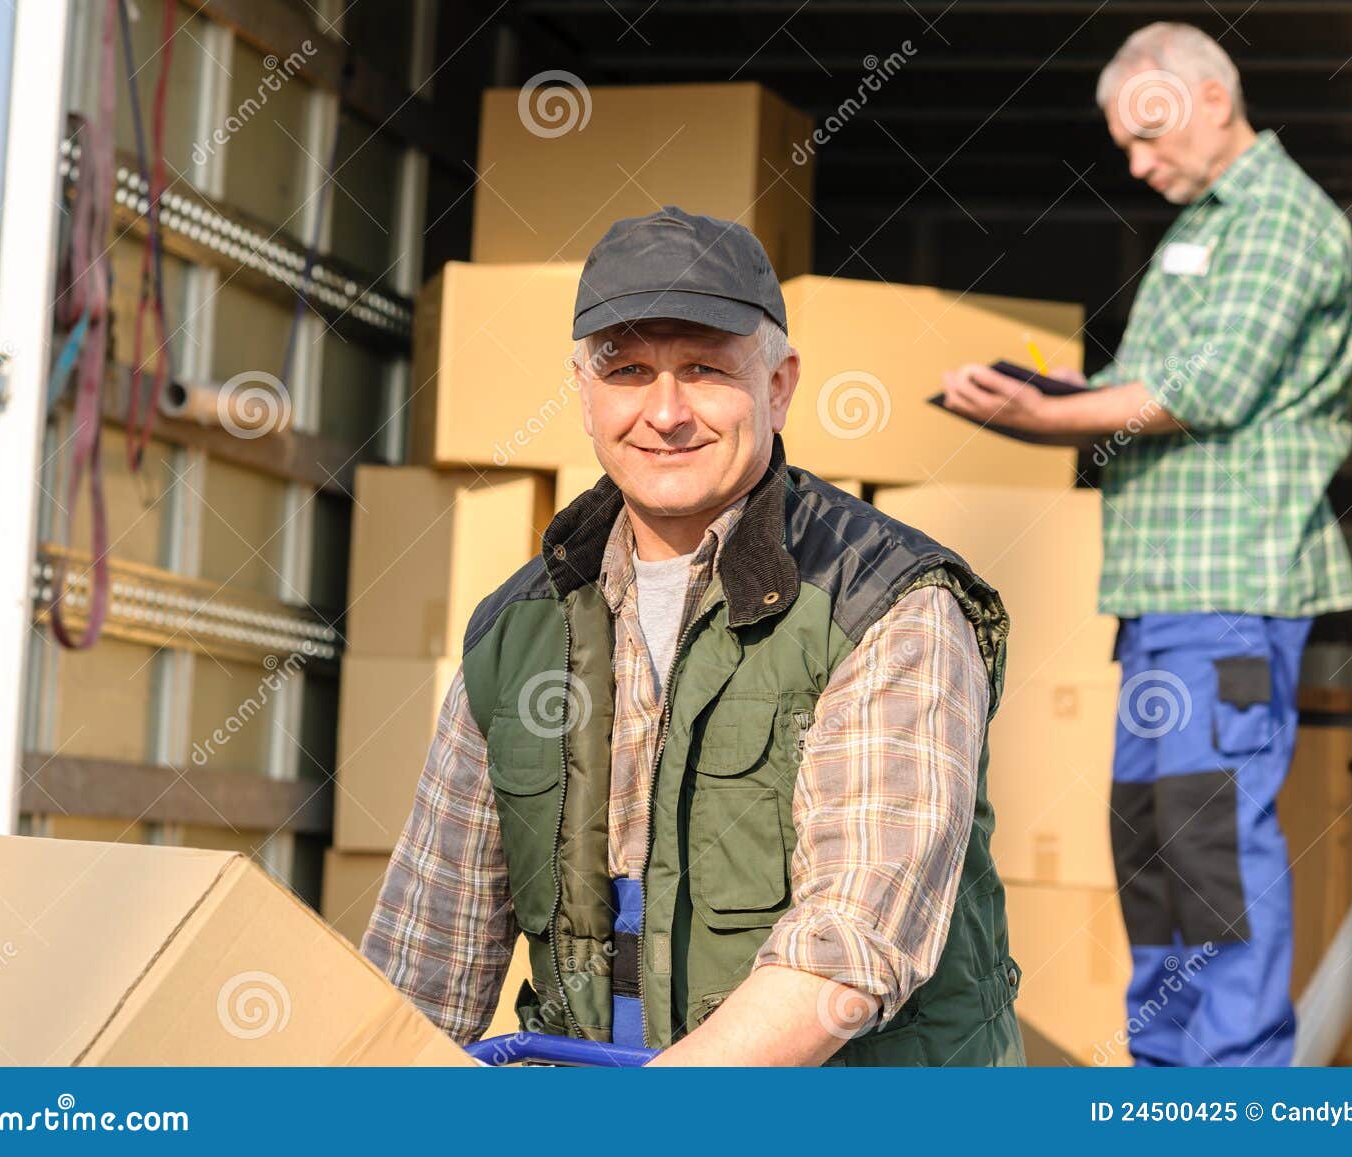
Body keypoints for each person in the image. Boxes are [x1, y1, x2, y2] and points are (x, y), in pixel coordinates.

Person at [364, 206, 1024, 1065]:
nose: (666, 412)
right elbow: (421, 966)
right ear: (583, 392)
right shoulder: (515, 628)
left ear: (778, 383)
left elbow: (849, 950)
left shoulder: (887, 602)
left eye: (706, 369)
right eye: (628, 371)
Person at [940, 22, 1352, 1067]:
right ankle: (1165, 1071)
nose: (1134, 164)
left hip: (1231, 587)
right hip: (1160, 594)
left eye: (1146, 133)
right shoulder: (1194, 235)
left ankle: (1235, 1084)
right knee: (1151, 835)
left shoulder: (1278, 218)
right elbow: (1138, 388)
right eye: (1123, 143)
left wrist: (1052, 416)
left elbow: (1203, 387)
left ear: (1212, 98)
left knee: (1208, 835)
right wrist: (1046, 394)